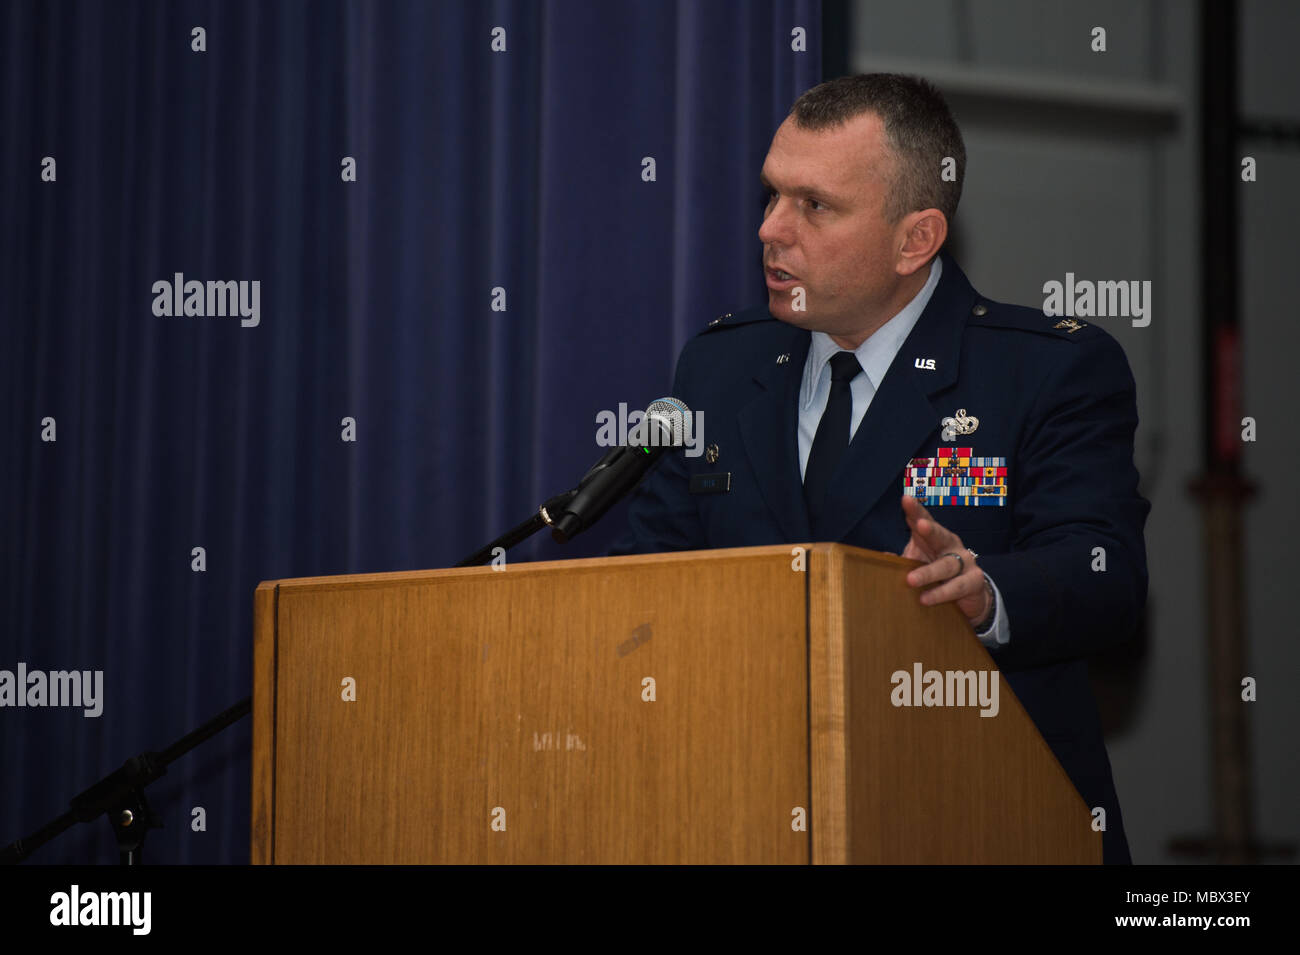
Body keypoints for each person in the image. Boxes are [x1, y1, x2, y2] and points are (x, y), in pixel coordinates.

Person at [609, 73, 1150, 864]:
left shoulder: (1046, 371)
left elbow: (1107, 581)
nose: (770, 229)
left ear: (915, 239)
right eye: (770, 196)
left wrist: (986, 590)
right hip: (748, 815)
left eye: (814, 205)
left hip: (977, 817)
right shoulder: (722, 367)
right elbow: (649, 576)